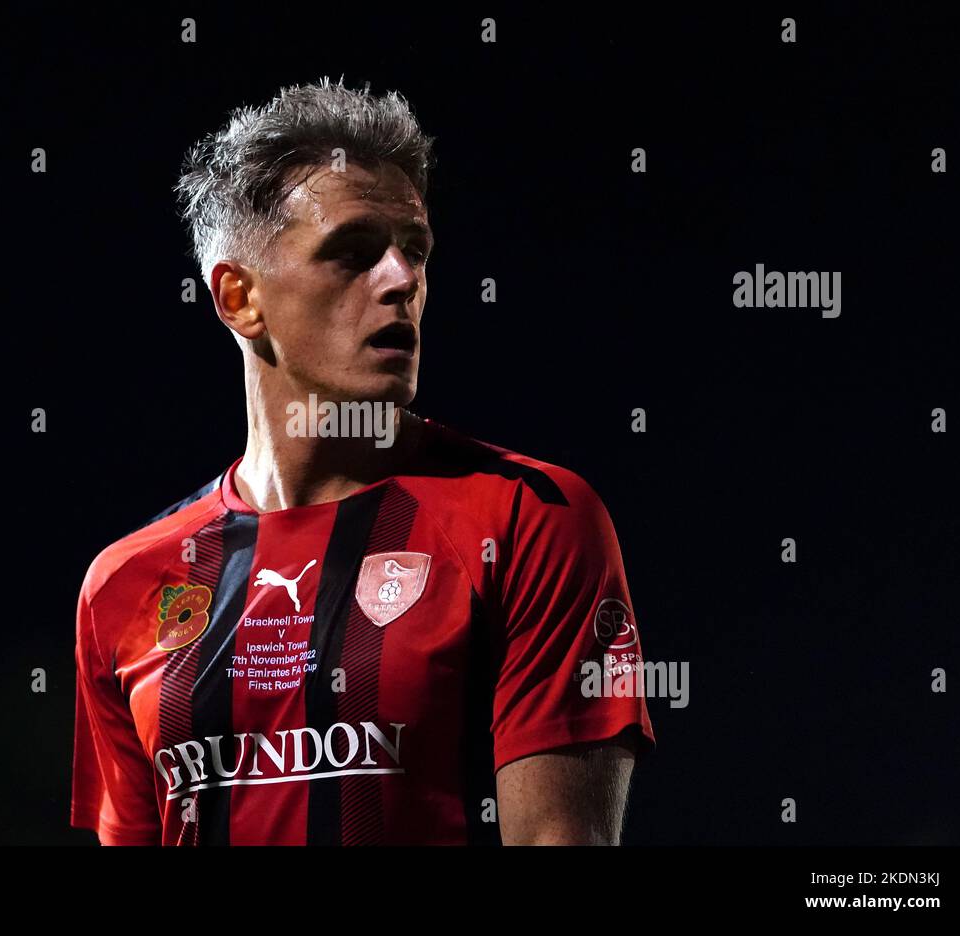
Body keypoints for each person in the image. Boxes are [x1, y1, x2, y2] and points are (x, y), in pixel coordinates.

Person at [71, 78, 654, 845]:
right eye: (353, 253)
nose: (402, 281)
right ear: (238, 298)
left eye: (414, 251)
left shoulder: (530, 517)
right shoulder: (125, 583)